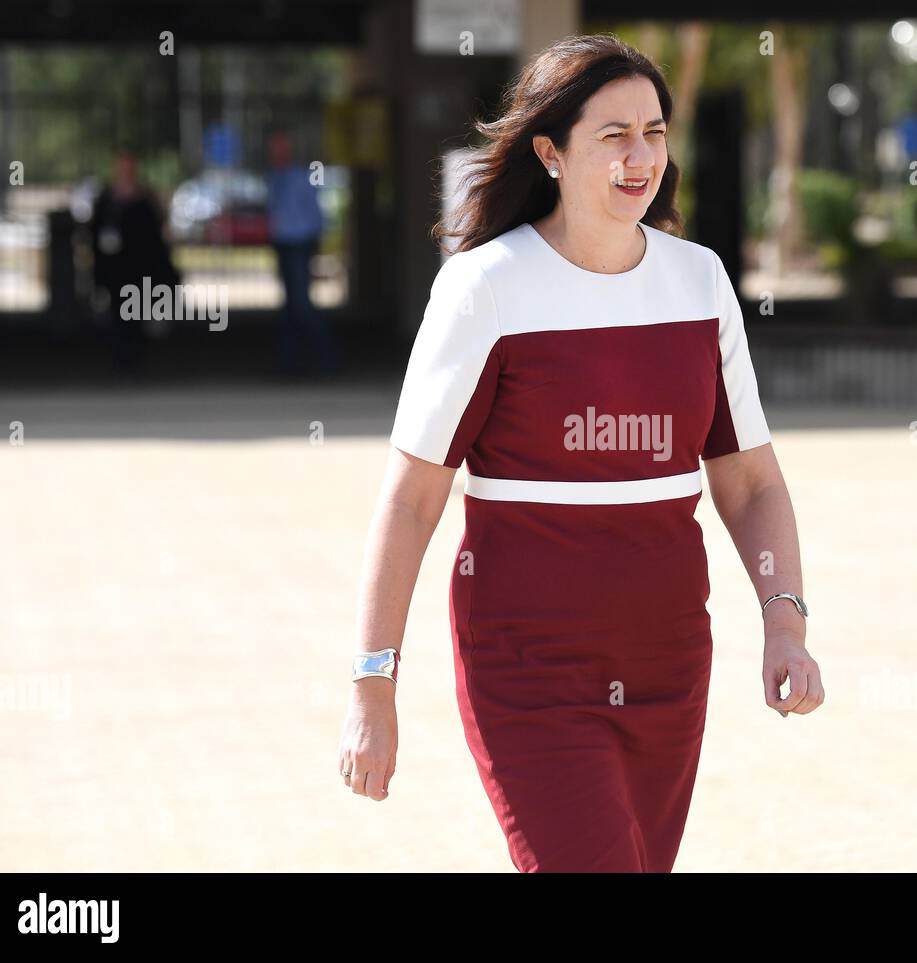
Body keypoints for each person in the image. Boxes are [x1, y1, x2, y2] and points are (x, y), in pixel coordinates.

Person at [336, 34, 823, 872]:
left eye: (656, 133)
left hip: (669, 659)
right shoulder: (483, 287)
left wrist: (786, 618)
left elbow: (747, 481)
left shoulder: (700, 280)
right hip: (529, 669)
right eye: (614, 135)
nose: (642, 157)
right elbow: (411, 499)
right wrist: (372, 683)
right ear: (550, 151)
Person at [90, 149, 178, 374]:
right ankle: (121, 358)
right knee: (117, 313)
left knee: (137, 311)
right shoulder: (106, 198)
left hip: (141, 265)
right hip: (115, 268)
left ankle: (136, 357)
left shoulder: (145, 198)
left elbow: (157, 233)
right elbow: (94, 231)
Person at [266, 130, 337, 376]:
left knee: (301, 304)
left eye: (280, 147)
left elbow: (316, 214)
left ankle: (327, 359)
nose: (276, 153)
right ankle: (290, 362)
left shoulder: (301, 177)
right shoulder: (273, 177)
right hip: (283, 244)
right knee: (290, 306)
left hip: (299, 244)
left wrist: (313, 244)